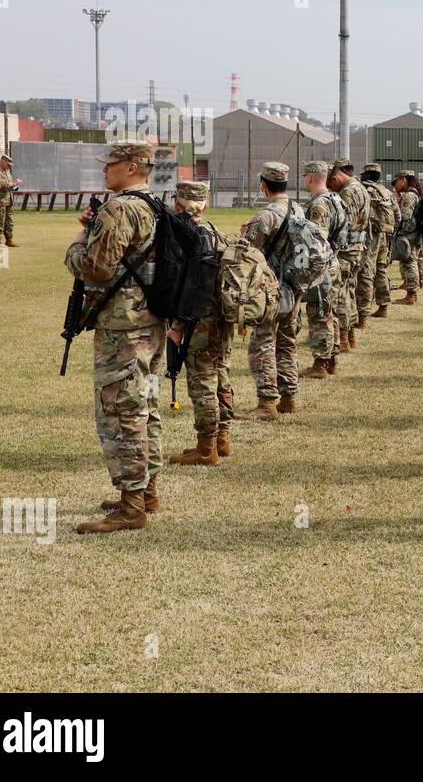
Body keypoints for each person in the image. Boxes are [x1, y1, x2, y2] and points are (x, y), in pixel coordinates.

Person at [66, 142, 163, 534]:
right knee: (145, 404)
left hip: (123, 326)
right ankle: (147, 491)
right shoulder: (154, 205)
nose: (106, 170)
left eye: (113, 164)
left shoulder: (121, 208)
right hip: (149, 322)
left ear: (133, 167)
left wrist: (76, 242)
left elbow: (96, 267)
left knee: (123, 411)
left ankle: (132, 506)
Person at [166, 181, 234, 466]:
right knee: (219, 373)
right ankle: (222, 439)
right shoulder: (215, 232)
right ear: (204, 205)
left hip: (201, 319)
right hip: (222, 316)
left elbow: (197, 284)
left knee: (202, 380)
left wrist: (179, 326)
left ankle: (207, 448)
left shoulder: (192, 236)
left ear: (179, 204)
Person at [239, 162, 302, 419]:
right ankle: (289, 398)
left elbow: (245, 253)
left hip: (270, 290)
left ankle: (267, 403)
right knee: (287, 342)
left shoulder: (265, 216)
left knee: (263, 343)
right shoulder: (299, 209)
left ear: (264, 186)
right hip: (294, 287)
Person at [298, 161, 345, 380]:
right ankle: (331, 359)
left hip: (322, 267)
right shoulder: (335, 198)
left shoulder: (320, 205)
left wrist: (309, 272)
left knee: (319, 315)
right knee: (329, 312)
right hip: (333, 262)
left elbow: (316, 242)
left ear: (310, 177)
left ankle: (320, 364)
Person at [328, 158, 370, 348]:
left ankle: (343, 337)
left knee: (339, 294)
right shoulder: (361, 188)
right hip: (358, 248)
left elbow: (345, 224)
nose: (332, 188)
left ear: (336, 177)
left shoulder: (349, 192)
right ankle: (350, 335)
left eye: (331, 184)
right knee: (349, 290)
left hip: (346, 250)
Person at [358, 163, 398, 320]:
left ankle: (363, 313)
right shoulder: (386, 191)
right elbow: (398, 215)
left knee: (366, 272)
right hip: (384, 235)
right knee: (381, 269)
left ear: (366, 175)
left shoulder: (364, 190)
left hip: (370, 235)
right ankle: (383, 306)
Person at [392, 169, 423, 304]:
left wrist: (396, 206)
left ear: (403, 180)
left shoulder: (409, 196)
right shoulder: (415, 193)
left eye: (396, 182)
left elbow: (405, 216)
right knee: (410, 261)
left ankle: (411, 295)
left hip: (409, 233)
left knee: (410, 262)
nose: (395, 186)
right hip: (413, 233)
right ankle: (411, 292)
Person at [0, 154, 20, 247]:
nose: (9, 166)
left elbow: (9, 186)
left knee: (9, 221)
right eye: (8, 164)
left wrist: (15, 186)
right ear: (3, 162)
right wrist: (13, 183)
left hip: (8, 200)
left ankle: (9, 239)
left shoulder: (7, 172)